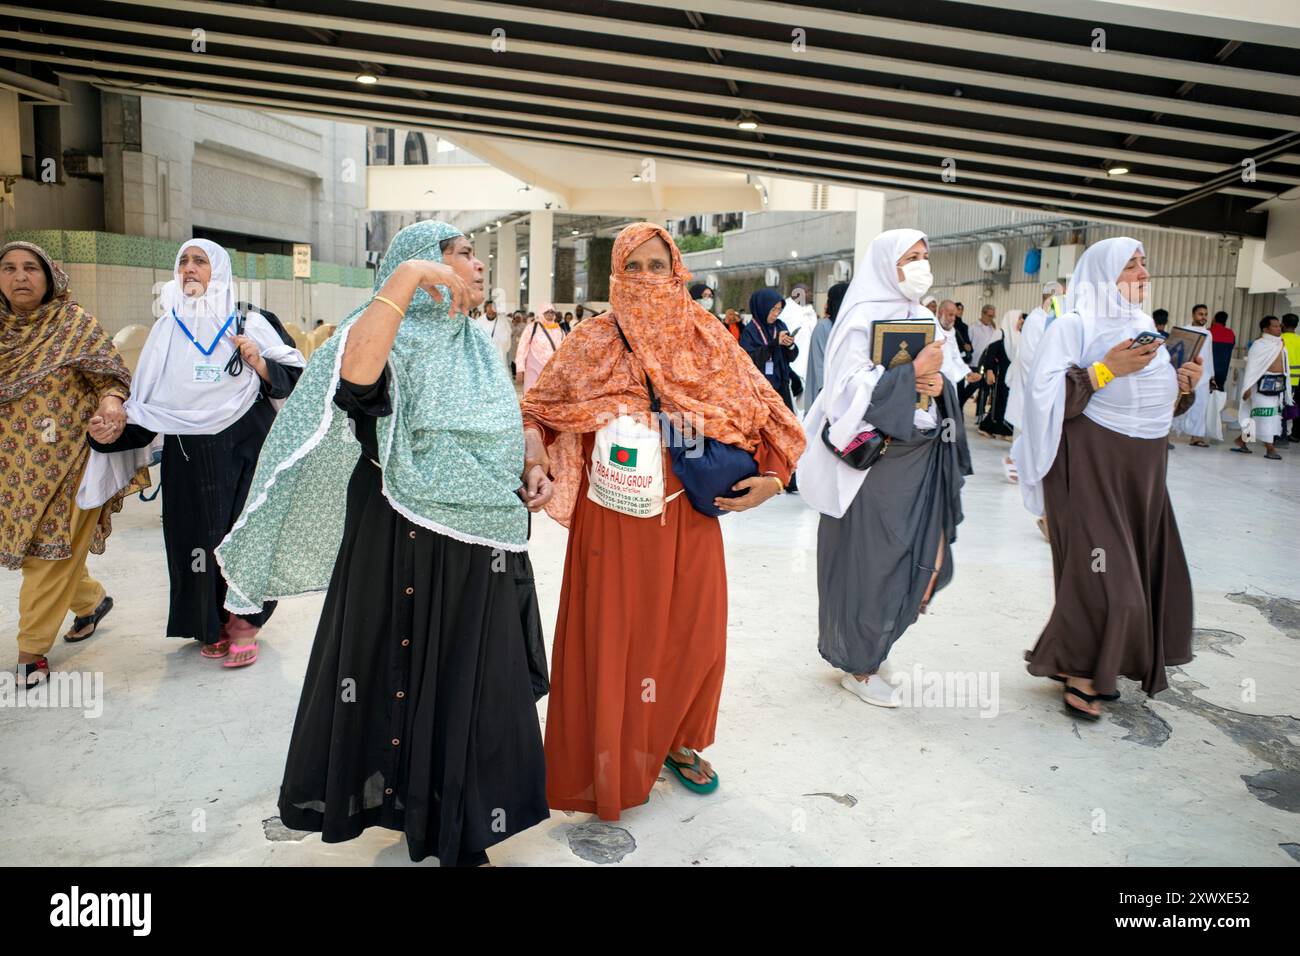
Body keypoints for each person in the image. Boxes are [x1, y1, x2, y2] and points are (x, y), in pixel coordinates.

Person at [215, 220, 552, 866]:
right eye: (457, 256)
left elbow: (498, 432)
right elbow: (356, 381)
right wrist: (407, 278)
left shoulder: (476, 347)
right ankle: (406, 808)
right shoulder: (385, 339)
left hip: (476, 543)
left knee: (465, 680)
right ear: (420, 266)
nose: (476, 266)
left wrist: (528, 464)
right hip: (396, 536)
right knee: (396, 676)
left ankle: (457, 823)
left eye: (475, 255)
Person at [518, 222, 804, 818]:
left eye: (658, 265)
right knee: (617, 640)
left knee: (692, 636)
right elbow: (543, 408)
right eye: (635, 266)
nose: (648, 278)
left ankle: (675, 738)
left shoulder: (707, 339)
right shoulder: (592, 340)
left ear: (678, 271)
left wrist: (775, 478)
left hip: (689, 518)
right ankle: (610, 759)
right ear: (617, 274)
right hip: (614, 522)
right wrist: (535, 449)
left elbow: (765, 411)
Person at [79, 239, 304, 668]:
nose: (190, 268)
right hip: (187, 452)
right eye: (183, 261)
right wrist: (109, 434)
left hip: (246, 445)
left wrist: (259, 364)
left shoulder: (251, 320)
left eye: (200, 261)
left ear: (217, 270)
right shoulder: (166, 330)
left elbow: (295, 377)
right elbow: (149, 404)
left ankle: (245, 622)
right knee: (195, 539)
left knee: (244, 533)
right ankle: (210, 621)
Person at [1011, 237, 1203, 720]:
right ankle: (1078, 668)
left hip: (1144, 470)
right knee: (1106, 576)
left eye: (1144, 265)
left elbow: (1159, 405)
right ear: (1101, 277)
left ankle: (1087, 660)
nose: (1142, 274)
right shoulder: (1073, 326)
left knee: (1132, 573)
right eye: (1129, 268)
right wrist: (1103, 369)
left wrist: (1181, 387)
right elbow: (1045, 403)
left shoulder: (1144, 328)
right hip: (1089, 464)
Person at [800, 229, 972, 708]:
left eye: (924, 256)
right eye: (909, 258)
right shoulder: (858, 320)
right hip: (873, 465)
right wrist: (911, 374)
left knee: (909, 556)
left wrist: (938, 387)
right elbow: (844, 395)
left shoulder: (924, 318)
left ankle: (876, 645)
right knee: (870, 559)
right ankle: (860, 663)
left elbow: (945, 382)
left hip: (918, 456)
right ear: (884, 265)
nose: (920, 265)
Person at [1, 241, 148, 687]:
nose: (20, 277)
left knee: (51, 556)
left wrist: (109, 404)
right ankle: (90, 602)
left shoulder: (71, 323)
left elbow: (111, 375)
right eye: (8, 268)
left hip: (70, 464)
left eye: (31, 268)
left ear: (49, 277)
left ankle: (31, 651)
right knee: (40, 556)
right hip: (12, 471)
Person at [1232, 316, 1291, 460]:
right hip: (1259, 386)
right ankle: (1270, 448)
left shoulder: (1281, 344)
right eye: (1275, 326)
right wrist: (1247, 388)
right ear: (1265, 329)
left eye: (1279, 326)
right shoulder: (1259, 345)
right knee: (1266, 416)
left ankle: (1241, 440)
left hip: (1277, 386)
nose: (1279, 328)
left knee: (1265, 416)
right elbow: (1252, 369)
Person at [740, 288, 799, 413]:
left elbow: (791, 357)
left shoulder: (780, 326)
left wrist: (790, 345)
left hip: (781, 384)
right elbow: (749, 361)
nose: (777, 313)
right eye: (773, 309)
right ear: (762, 308)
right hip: (759, 389)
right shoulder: (750, 331)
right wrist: (773, 344)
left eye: (779, 309)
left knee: (785, 425)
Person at [1171, 305, 1216, 448]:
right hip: (1185, 372)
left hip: (1203, 374)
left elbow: (1209, 356)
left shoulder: (1208, 334)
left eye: (1205, 314)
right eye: (1200, 314)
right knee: (1177, 404)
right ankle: (1166, 435)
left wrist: (1211, 376)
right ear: (1193, 315)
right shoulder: (1184, 331)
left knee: (1200, 405)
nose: (1203, 317)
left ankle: (1196, 437)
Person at [977, 310, 1021, 440]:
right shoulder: (1000, 333)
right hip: (999, 373)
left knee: (1008, 401)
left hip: (1012, 375)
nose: (1021, 321)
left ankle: (1001, 429)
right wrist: (989, 371)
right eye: (1019, 318)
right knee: (999, 401)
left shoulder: (1018, 335)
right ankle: (989, 427)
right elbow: (990, 354)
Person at [804, 281, 848, 410]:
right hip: (826, 400)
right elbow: (820, 369)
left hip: (845, 397)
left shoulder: (849, 326)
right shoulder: (823, 327)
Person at [514, 303, 565, 392]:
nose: (550, 315)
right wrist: (520, 369)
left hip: (552, 370)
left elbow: (564, 352)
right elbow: (522, 348)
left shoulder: (559, 331)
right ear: (541, 313)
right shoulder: (532, 327)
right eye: (547, 312)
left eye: (552, 312)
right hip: (533, 367)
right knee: (531, 396)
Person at [967, 304, 999, 418]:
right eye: (989, 315)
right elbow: (968, 345)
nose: (991, 318)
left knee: (985, 389)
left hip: (986, 364)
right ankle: (959, 404)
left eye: (992, 316)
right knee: (971, 387)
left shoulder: (993, 329)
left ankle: (979, 413)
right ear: (983, 313)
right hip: (974, 362)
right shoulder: (973, 327)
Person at [471, 299, 512, 370]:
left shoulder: (502, 321)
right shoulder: (479, 321)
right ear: (485, 310)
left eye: (493, 312)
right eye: (489, 312)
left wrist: (498, 342)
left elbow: (507, 336)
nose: (491, 313)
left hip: (499, 354)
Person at [1282, 314, 1300, 442]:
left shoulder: (1280, 339)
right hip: (1298, 381)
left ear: (1282, 324)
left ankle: (1280, 435)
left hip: (1283, 379)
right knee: (1295, 407)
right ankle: (1294, 434)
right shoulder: (1299, 340)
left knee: (1281, 408)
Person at [1210, 310, 1235, 391]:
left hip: (1208, 373)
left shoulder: (1208, 332)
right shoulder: (1231, 334)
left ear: (1214, 319)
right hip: (1222, 373)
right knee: (1218, 396)